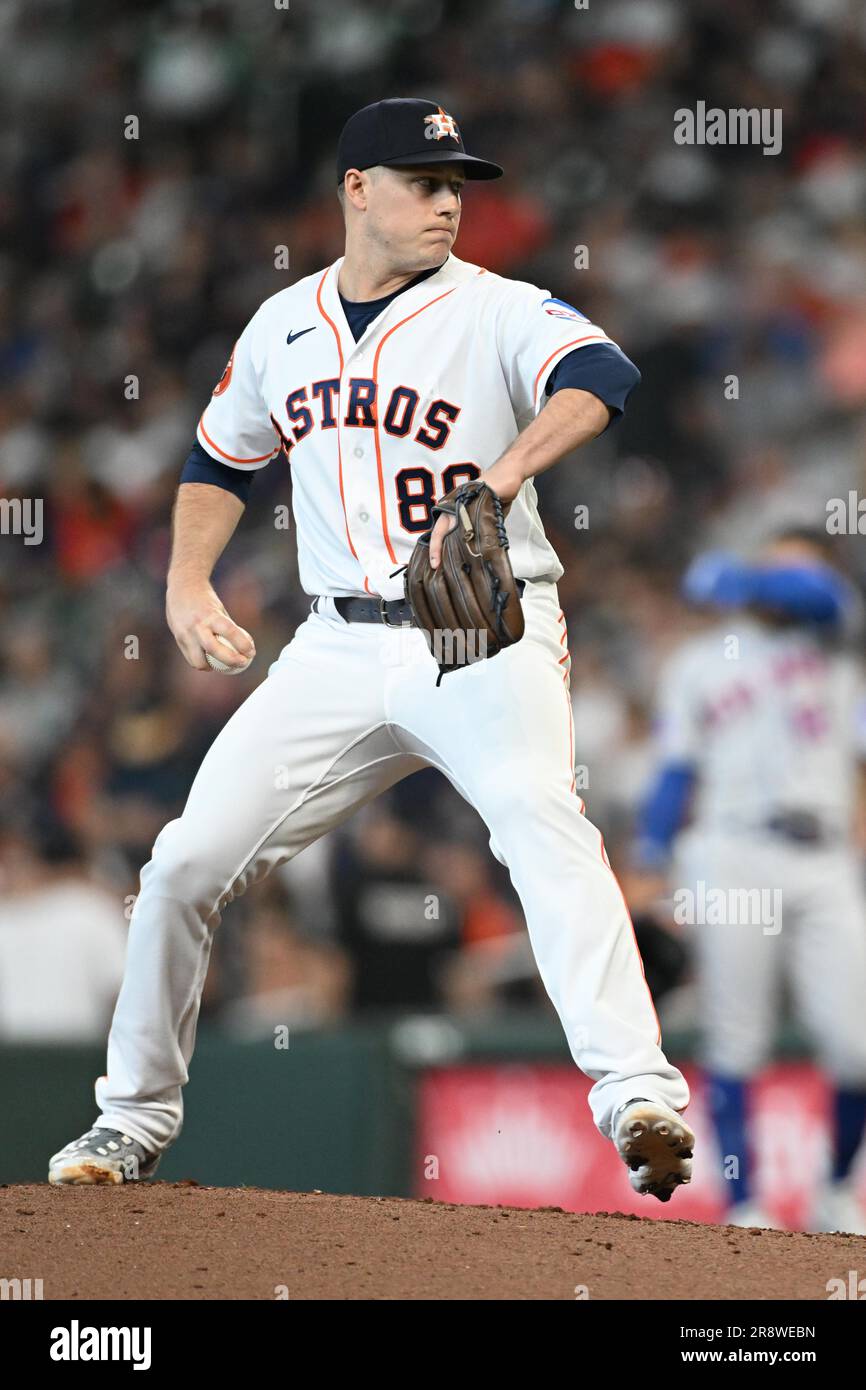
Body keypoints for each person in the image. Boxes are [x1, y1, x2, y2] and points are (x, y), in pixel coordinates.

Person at [49, 98, 693, 1201]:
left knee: (539, 816)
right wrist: (186, 580)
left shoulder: (495, 307)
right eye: (423, 181)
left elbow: (601, 379)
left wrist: (501, 476)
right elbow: (219, 462)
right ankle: (129, 1122)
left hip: (479, 630)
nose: (448, 203)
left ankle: (637, 1093)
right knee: (183, 865)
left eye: (456, 186)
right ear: (356, 188)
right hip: (335, 645)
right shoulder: (280, 325)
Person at [631, 529, 866, 1232]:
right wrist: (649, 853)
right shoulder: (702, 661)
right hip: (732, 850)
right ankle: (745, 1206)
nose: (786, 581)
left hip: (824, 855)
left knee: (857, 1043)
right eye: (775, 567)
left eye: (799, 568)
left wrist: (746, 577)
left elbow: (824, 597)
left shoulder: (838, 643)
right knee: (737, 1037)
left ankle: (835, 1191)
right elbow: (675, 771)